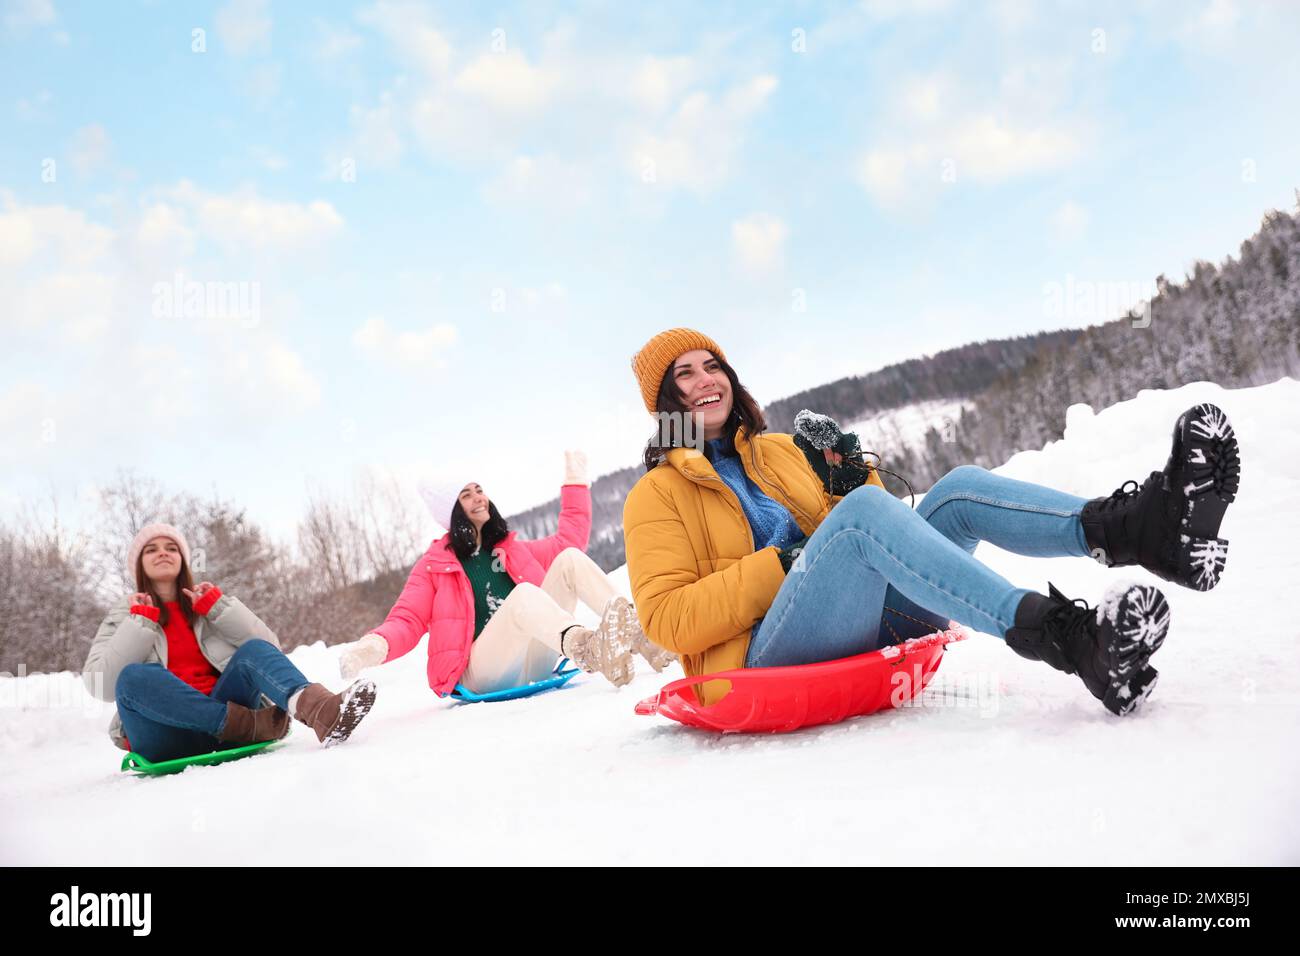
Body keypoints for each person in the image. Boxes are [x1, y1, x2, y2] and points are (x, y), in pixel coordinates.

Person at [622, 328, 1241, 716]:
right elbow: (669, 620)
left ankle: (1139, 531)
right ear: (665, 402)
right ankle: (1071, 638)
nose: (707, 380)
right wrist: (782, 564)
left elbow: (860, 532)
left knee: (958, 491)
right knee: (863, 515)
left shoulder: (778, 450)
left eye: (713, 365)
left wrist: (850, 480)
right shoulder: (656, 496)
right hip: (760, 662)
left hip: (849, 622)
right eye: (685, 373)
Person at [339, 451, 674, 693]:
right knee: (525, 595)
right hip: (480, 671)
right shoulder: (435, 565)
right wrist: (374, 647)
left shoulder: (510, 549)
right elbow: (407, 620)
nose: (478, 498)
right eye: (465, 495)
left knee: (569, 558)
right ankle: (588, 648)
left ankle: (644, 638)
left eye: (479, 490)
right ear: (451, 511)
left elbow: (570, 539)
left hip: (530, 659)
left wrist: (575, 483)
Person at [84, 523, 378, 762]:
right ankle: (247, 725)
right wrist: (140, 623)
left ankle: (321, 712)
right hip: (165, 736)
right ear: (140, 565)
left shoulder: (206, 607)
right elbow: (101, 684)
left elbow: (268, 650)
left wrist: (219, 609)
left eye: (171, 548)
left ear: (183, 560)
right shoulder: (126, 615)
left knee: (252, 651)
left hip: (230, 725)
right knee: (135, 677)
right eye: (152, 550)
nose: (163, 553)